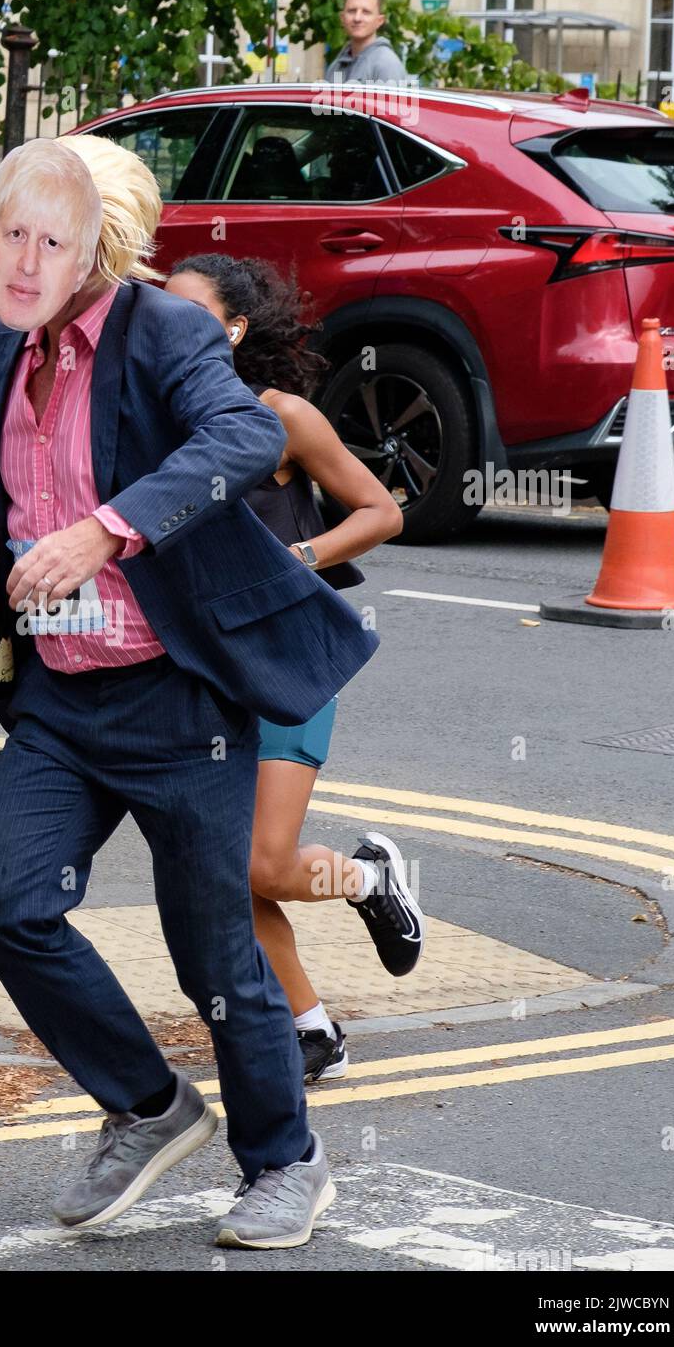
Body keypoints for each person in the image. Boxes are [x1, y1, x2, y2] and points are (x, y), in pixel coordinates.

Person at [0, 135, 379, 1249]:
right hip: (60, 695)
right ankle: (146, 1106)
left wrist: (105, 529)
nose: (22, 255)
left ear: (98, 242)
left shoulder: (164, 329)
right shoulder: (6, 342)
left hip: (179, 698)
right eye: (7, 230)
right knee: (3, 906)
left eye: (48, 234)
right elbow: (12, 484)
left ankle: (284, 1161)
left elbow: (240, 432)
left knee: (213, 954)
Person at [166, 255, 423, 1085]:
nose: (166, 325)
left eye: (189, 312)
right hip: (205, 671)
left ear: (233, 331)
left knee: (261, 864)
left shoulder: (280, 418)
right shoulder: (157, 419)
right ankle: (313, 1030)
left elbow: (383, 510)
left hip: (285, 666)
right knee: (225, 868)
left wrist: (296, 558)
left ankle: (367, 877)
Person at [324, 0, 408, 84]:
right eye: (352, 11)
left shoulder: (386, 64)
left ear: (379, 21)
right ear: (342, 18)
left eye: (366, 12)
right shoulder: (336, 66)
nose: (357, 18)